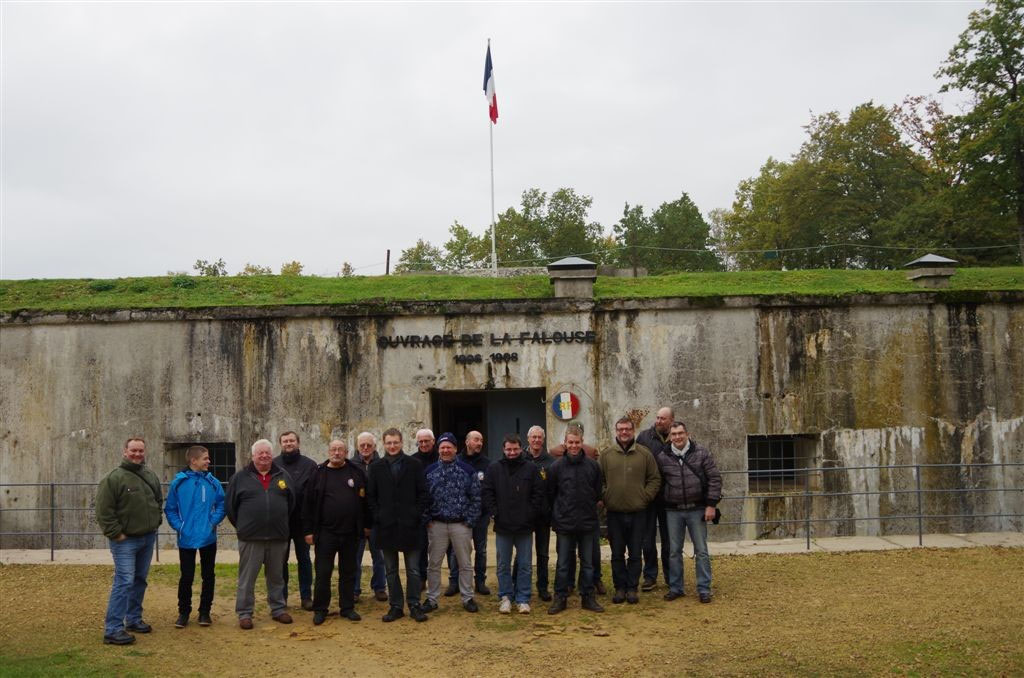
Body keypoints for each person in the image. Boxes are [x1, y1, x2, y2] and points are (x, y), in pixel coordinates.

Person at [96, 437, 163, 645]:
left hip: (147, 537)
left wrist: (156, 522)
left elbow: (158, 501)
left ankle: (133, 619)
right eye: (133, 450)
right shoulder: (113, 478)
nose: (137, 454)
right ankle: (113, 629)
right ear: (125, 451)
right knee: (124, 581)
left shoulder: (150, 475)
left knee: (139, 580)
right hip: (125, 541)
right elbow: (104, 511)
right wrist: (116, 533)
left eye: (140, 451)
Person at [226, 439, 295, 629]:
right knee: (247, 579)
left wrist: (278, 522)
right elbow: (231, 508)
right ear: (253, 456)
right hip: (251, 538)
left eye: (267, 453)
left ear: (272, 455)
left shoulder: (283, 476)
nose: (264, 456)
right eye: (260, 453)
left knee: (276, 577)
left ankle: (278, 609)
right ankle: (245, 613)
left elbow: (292, 504)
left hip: (277, 537)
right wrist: (244, 526)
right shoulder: (240, 478)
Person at [303, 440, 371, 625]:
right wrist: (308, 531)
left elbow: (366, 502)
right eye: (333, 449)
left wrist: (366, 525)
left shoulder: (356, 472)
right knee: (323, 572)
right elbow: (308, 504)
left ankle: (347, 607)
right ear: (328, 451)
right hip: (326, 533)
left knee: (348, 572)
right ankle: (320, 609)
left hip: (350, 533)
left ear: (346, 452)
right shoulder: (318, 473)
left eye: (340, 449)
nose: (337, 452)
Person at [367, 428, 431, 623]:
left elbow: (423, 493)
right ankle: (395, 606)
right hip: (386, 526)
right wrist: (378, 515)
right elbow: (371, 496)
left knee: (413, 569)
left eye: (395, 442)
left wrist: (416, 514)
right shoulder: (376, 467)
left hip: (410, 525)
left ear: (402, 443)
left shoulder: (414, 464)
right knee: (391, 570)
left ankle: (414, 604)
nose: (392, 446)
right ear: (383, 444)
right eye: (389, 443)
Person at [656, 421, 722, 604]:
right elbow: (657, 481)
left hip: (697, 509)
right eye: (674, 434)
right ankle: (676, 588)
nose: (677, 437)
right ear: (670, 436)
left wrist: (711, 505)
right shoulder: (662, 456)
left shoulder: (701, 453)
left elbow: (714, 478)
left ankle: (704, 589)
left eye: (680, 433)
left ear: (687, 434)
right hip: (673, 510)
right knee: (674, 551)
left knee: (701, 550)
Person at [598, 417, 661, 604]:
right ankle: (620, 588)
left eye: (627, 429)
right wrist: (606, 496)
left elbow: (655, 479)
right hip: (614, 513)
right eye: (620, 429)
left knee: (635, 553)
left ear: (633, 431)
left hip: (638, 512)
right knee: (617, 553)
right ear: (616, 431)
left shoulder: (644, 454)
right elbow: (598, 480)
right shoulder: (606, 455)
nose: (624, 432)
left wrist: (645, 497)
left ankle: (632, 588)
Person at [164, 445, 226, 629]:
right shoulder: (179, 483)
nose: (209, 462)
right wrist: (180, 527)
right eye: (205, 458)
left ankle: (205, 612)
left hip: (208, 537)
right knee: (186, 576)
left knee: (208, 575)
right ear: (193, 460)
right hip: (187, 538)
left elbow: (222, 504)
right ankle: (183, 612)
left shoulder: (212, 482)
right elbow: (170, 509)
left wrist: (212, 522)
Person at [482, 434, 545, 614]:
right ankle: (506, 597)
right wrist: (495, 512)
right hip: (503, 526)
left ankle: (523, 598)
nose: (512, 452)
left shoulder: (531, 468)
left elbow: (538, 493)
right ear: (503, 449)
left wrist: (530, 513)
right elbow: (487, 492)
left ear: (520, 448)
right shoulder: (494, 468)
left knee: (525, 564)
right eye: (508, 449)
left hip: (525, 526)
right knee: (503, 564)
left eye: (515, 449)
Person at [547, 425, 604, 614]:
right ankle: (560, 597)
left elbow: (597, 493)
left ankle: (588, 597)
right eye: (570, 442)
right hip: (564, 523)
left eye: (577, 442)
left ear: (582, 442)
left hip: (587, 523)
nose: (573, 446)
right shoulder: (556, 467)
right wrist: (559, 515)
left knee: (587, 563)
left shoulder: (593, 466)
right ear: (565, 443)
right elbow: (551, 494)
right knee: (563, 564)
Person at [422, 433, 482, 614]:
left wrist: (470, 521)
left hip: (460, 525)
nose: (446, 450)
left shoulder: (467, 471)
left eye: (449, 447)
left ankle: (467, 597)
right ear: (438, 449)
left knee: (465, 563)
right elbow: (422, 497)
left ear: (455, 448)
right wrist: (427, 519)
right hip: (437, 525)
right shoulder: (429, 472)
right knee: (434, 564)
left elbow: (476, 498)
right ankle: (432, 599)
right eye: (442, 447)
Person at [274, 431, 317, 611]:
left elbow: (314, 496)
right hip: (280, 523)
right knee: (280, 562)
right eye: (285, 441)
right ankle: (281, 598)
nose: (288, 443)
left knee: (304, 560)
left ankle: (306, 597)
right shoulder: (273, 465)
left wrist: (312, 525)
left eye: (292, 440)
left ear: (298, 443)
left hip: (302, 523)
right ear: (281, 444)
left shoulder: (310, 465)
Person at [446, 430, 491, 597]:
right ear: (467, 442)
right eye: (476, 440)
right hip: (460, 515)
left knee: (481, 549)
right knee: (456, 550)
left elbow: (489, 489)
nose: (479, 443)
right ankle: (454, 581)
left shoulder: (487, 463)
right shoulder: (456, 461)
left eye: (481, 440)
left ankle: (480, 581)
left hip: (481, 515)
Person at [636, 407, 674, 591]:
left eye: (663, 419)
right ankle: (650, 576)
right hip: (649, 496)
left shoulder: (677, 436)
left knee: (669, 540)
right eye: (657, 417)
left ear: (671, 420)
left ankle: (671, 576)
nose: (658, 421)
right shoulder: (644, 438)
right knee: (648, 539)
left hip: (669, 497)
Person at [517, 425, 555, 602]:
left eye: (540, 437)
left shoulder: (551, 462)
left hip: (543, 515)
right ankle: (517, 584)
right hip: (524, 514)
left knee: (543, 553)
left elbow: (553, 489)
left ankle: (542, 587)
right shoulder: (519, 459)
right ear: (528, 439)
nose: (537, 440)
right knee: (521, 553)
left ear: (543, 440)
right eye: (534, 437)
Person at [351, 432, 388, 602]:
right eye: (362, 445)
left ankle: (379, 587)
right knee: (355, 558)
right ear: (357, 447)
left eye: (369, 445)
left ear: (374, 446)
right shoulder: (350, 466)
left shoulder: (383, 464)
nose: (365, 448)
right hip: (356, 520)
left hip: (377, 520)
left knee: (379, 557)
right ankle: (354, 589)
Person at [411, 428, 438, 583]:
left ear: (433, 441)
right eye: (420, 441)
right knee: (421, 547)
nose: (423, 444)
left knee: (443, 548)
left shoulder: (441, 457)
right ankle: (422, 578)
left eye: (426, 441)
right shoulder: (412, 461)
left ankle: (452, 581)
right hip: (420, 511)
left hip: (439, 510)